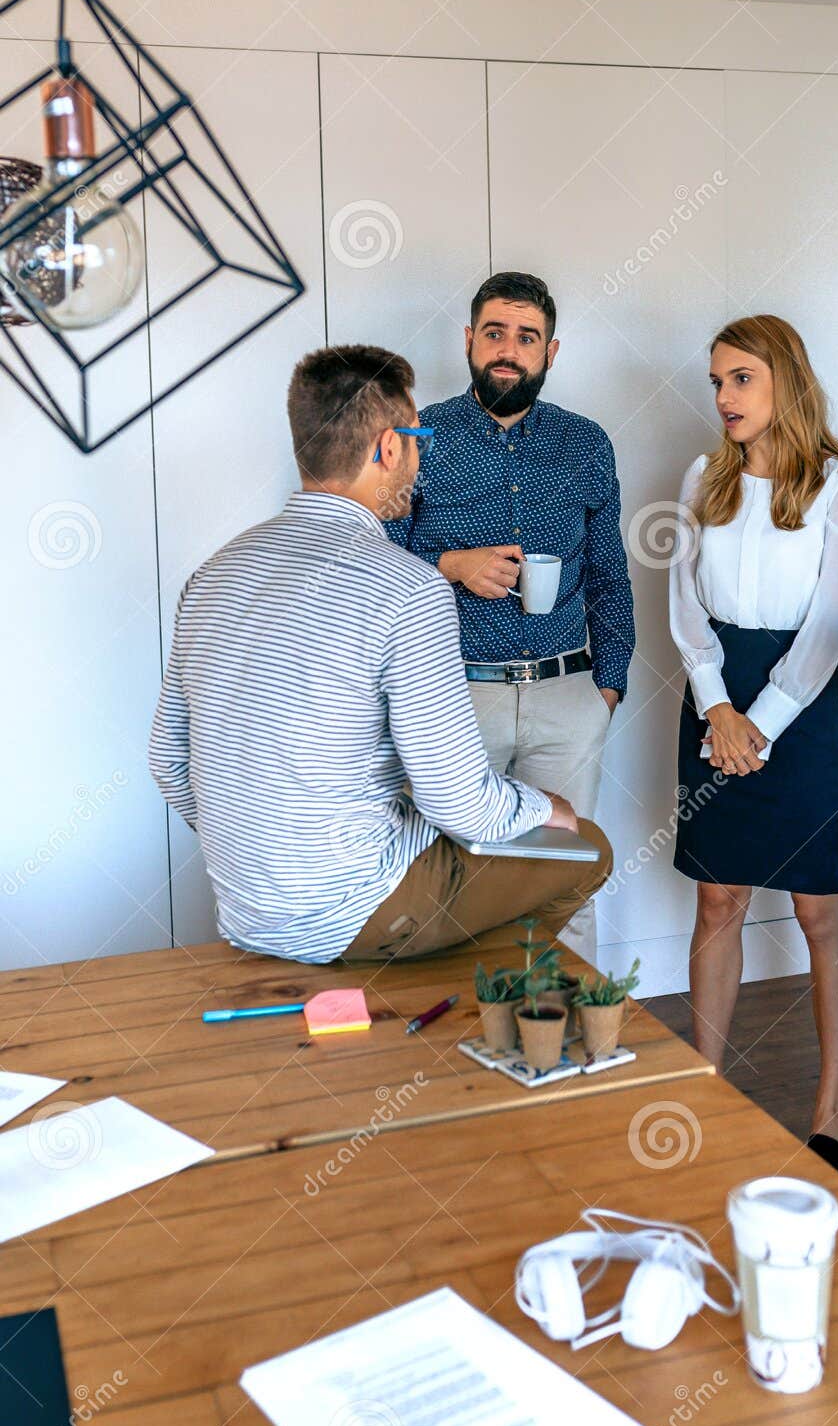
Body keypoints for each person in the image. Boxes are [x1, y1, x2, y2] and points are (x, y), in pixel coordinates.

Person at [149, 343, 612, 966]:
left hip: (243, 907)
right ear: (389, 447)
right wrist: (547, 807)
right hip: (356, 911)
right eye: (415, 439)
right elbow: (458, 801)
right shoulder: (407, 588)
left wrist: (262, 855)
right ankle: (464, 994)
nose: (419, 459)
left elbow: (166, 761)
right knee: (588, 850)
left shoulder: (215, 574)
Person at [670, 314, 838, 1172]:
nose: (723, 397)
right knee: (718, 901)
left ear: (785, 380)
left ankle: (834, 1109)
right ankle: (708, 1086)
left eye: (741, 379)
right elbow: (683, 602)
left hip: (802, 703)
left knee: (817, 909)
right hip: (714, 699)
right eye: (717, 380)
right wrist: (719, 710)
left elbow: (830, 624)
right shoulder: (700, 477)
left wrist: (763, 723)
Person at [384, 271, 635, 964]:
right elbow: (376, 569)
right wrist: (451, 565)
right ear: (469, 341)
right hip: (452, 699)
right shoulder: (419, 436)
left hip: (567, 697)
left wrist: (605, 691)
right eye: (495, 333)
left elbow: (611, 578)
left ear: (550, 352)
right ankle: (457, 1055)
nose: (509, 349)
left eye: (527, 338)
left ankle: (577, 1052)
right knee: (443, 888)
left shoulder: (587, 445)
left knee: (568, 889)